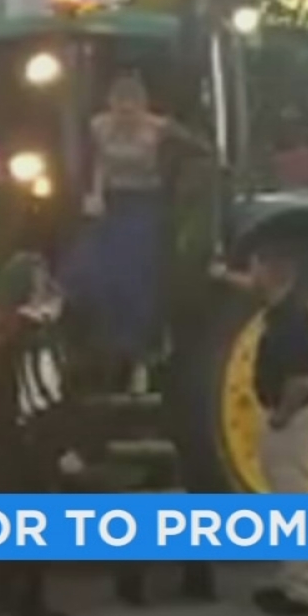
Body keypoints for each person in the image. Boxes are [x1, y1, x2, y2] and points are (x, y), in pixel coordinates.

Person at [60, 72, 210, 392]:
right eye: (119, 106)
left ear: (142, 106)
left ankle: (137, 349)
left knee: (134, 273)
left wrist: (187, 182)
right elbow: (94, 164)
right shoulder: (98, 127)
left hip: (146, 203)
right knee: (90, 267)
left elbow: (201, 149)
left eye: (132, 108)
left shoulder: (159, 129)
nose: (125, 114)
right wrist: (93, 195)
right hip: (111, 202)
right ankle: (97, 342)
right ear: (111, 104)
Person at [210, 244, 308, 616]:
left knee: (293, 503)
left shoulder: (293, 319)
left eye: (256, 267)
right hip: (284, 414)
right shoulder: (280, 307)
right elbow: (252, 287)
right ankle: (289, 581)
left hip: (291, 417)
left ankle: (305, 591)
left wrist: (280, 416)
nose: (251, 273)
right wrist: (218, 276)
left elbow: (303, 380)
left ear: (272, 272)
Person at [0, 254, 75, 616]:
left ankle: (0, 598)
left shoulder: (0, 331)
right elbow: (44, 393)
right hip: (32, 436)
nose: (46, 283)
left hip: (5, 440)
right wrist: (63, 445)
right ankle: (31, 602)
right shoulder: (35, 335)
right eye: (40, 278)